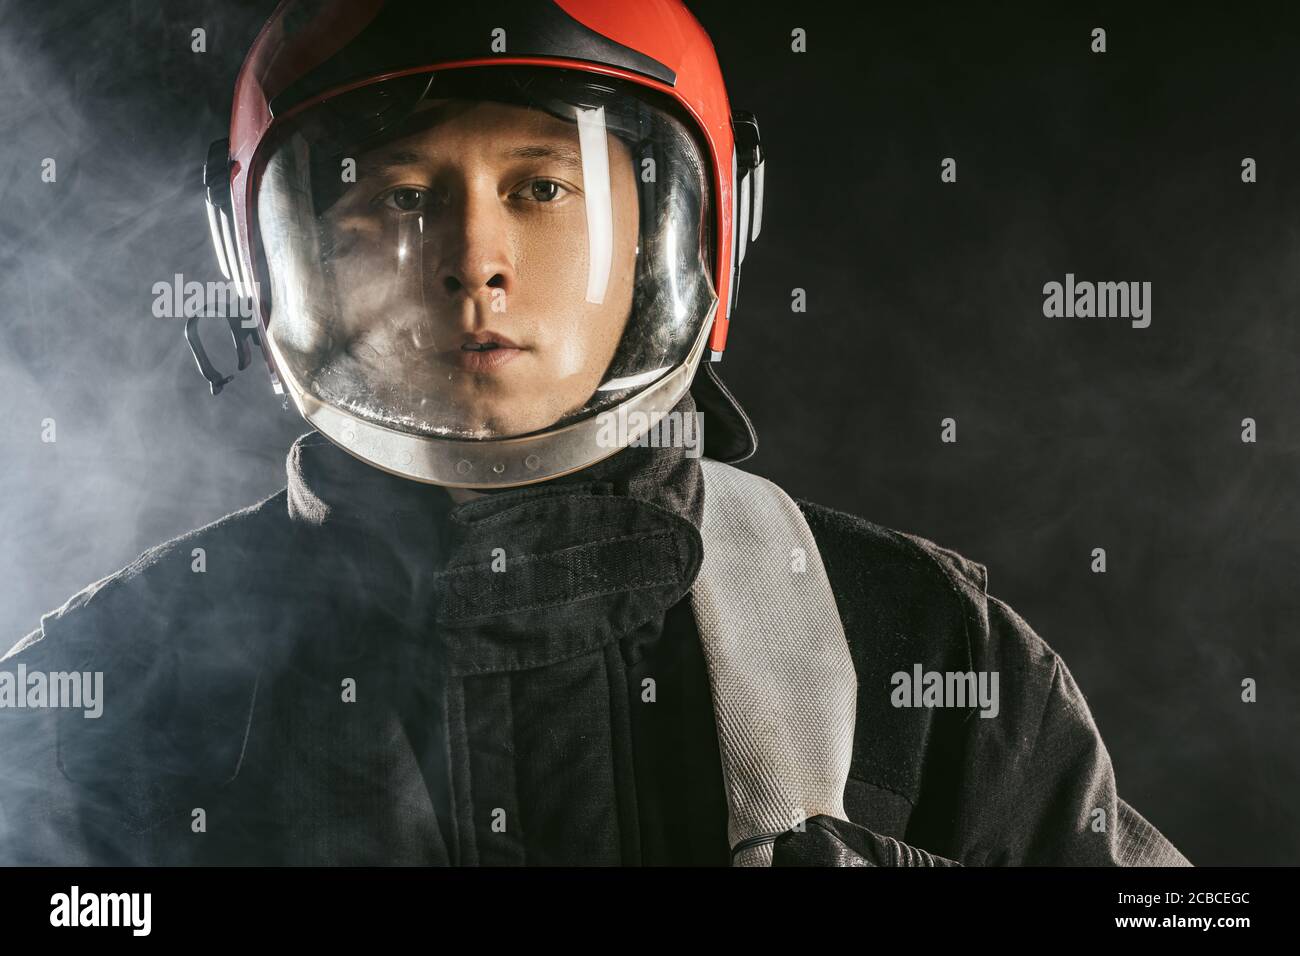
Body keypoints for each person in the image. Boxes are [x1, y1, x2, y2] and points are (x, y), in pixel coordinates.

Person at [0, 0, 1189, 867]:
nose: (476, 262)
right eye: (403, 196)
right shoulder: (105, 689)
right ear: (268, 252)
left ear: (682, 224)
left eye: (545, 187)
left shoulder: (913, 633)